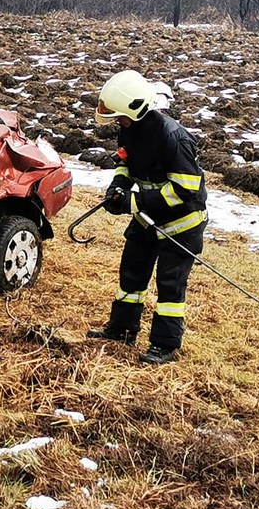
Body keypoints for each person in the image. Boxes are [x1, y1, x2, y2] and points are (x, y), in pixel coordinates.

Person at [87, 70, 208, 365]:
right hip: (147, 219)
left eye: (119, 116)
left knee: (170, 285)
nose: (117, 122)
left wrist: (135, 201)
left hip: (181, 226)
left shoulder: (174, 139)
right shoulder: (129, 128)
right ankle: (122, 330)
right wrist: (118, 187)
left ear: (135, 108)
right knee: (131, 274)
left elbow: (185, 190)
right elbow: (126, 162)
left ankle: (164, 345)